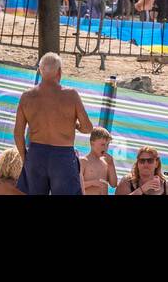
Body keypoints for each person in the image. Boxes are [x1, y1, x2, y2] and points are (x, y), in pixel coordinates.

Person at [14, 53, 92, 195]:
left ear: (40, 71)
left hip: (36, 153)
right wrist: (76, 126)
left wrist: (25, 157)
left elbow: (18, 133)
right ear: (60, 72)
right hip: (62, 155)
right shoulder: (71, 95)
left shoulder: (26, 97)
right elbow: (88, 128)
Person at [80, 127, 118, 195]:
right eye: (102, 144)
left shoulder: (106, 162)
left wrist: (111, 164)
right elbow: (77, 184)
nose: (105, 148)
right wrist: (93, 183)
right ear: (92, 143)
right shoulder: (84, 161)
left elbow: (114, 184)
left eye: (107, 145)